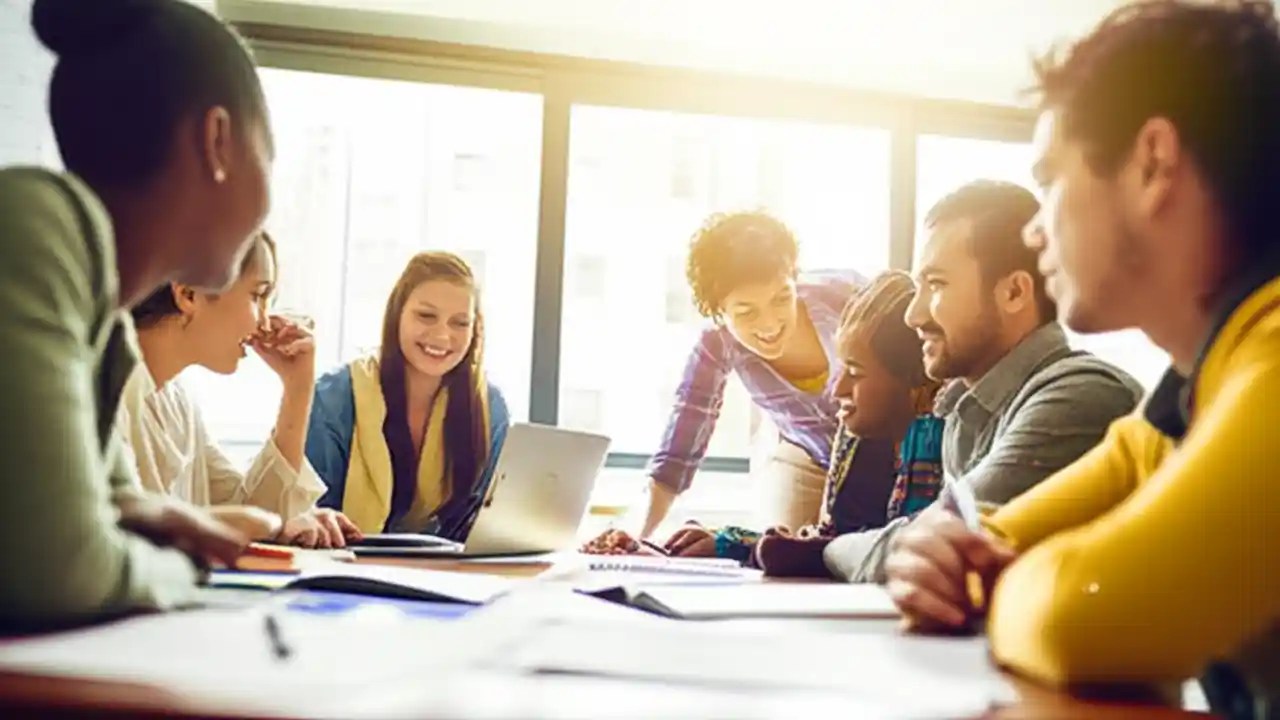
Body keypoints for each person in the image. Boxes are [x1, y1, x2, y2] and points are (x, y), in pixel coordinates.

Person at [884, 3, 1280, 716]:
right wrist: (938, 556)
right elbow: (983, 536)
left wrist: (986, 584)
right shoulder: (1189, 396)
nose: (1035, 232)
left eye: (1049, 181)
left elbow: (1078, 620)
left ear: (1153, 164)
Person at [0, 0, 274, 626]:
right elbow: (66, 571)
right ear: (218, 142)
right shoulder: (35, 226)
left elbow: (117, 509)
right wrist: (188, 568)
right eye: (270, 152)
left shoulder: (107, 317)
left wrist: (144, 522)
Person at [823, 180, 1142, 583]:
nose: (913, 315)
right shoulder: (964, 411)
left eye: (936, 284)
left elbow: (938, 544)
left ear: (1014, 292)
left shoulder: (1081, 398)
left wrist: (831, 548)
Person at [588, 211, 895, 551]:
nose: (770, 323)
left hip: (884, 446)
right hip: (805, 457)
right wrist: (634, 533)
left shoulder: (845, 295)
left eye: (782, 298)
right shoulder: (715, 345)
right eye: (746, 311)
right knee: (780, 555)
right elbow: (675, 459)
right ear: (719, 312)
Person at [656, 271, 945, 576]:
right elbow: (828, 539)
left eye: (855, 373)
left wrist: (790, 551)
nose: (837, 390)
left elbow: (904, 557)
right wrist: (726, 543)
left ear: (917, 385)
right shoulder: (855, 439)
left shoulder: (939, 442)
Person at [118, 231, 361, 548]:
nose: (264, 323)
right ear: (188, 294)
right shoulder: (108, 395)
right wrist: (274, 524)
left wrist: (297, 389)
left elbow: (253, 512)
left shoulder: (175, 400)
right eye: (257, 296)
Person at [306, 252, 510, 538]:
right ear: (397, 315)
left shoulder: (490, 408)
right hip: (343, 559)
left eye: (460, 323)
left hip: (450, 566)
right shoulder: (334, 397)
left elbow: (485, 523)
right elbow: (310, 510)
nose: (442, 336)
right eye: (426, 316)